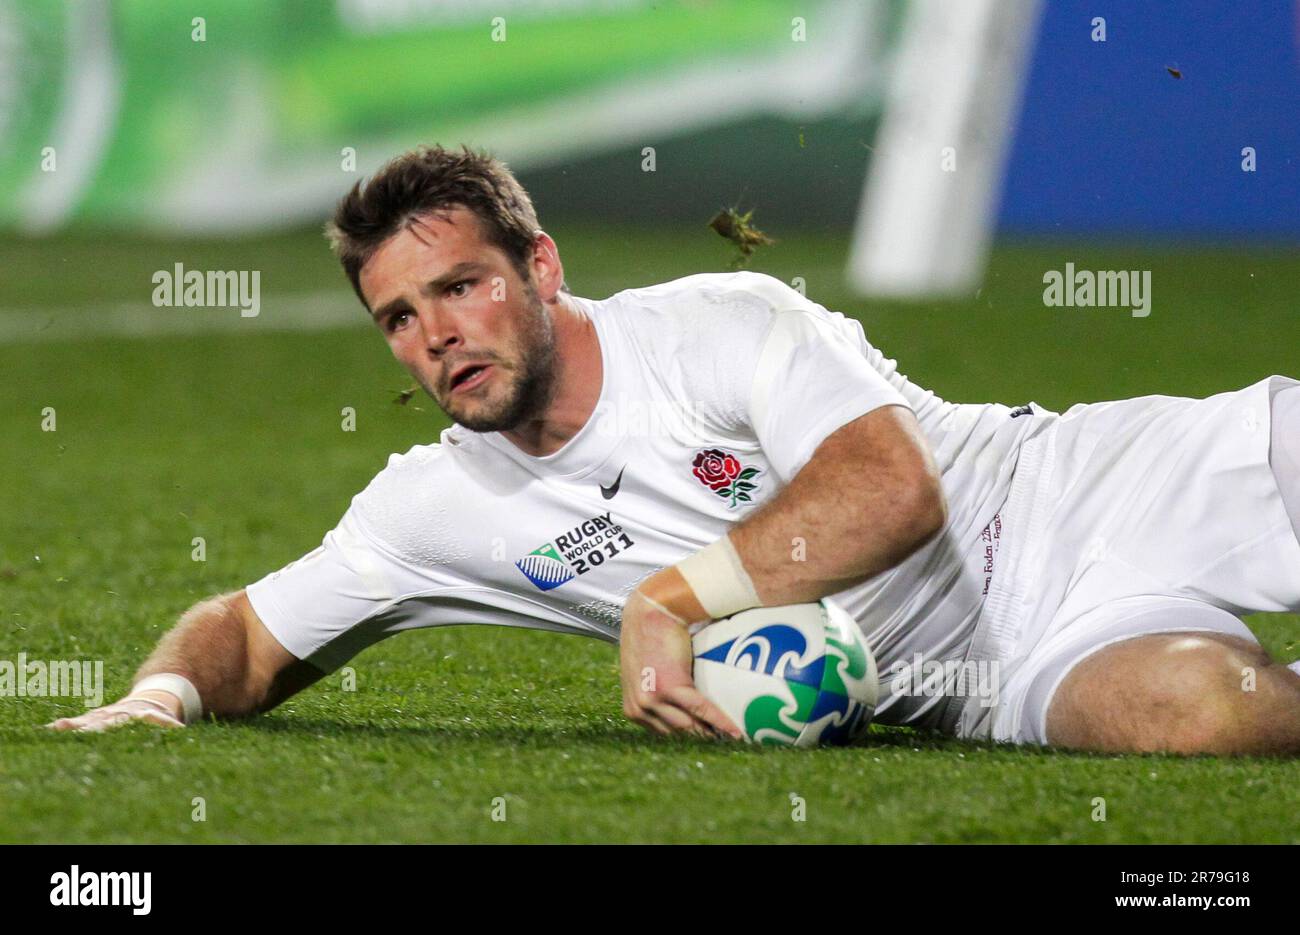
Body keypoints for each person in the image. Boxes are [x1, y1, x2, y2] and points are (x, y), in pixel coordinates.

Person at [50, 145, 1300, 755]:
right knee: (1196, 714)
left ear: (541, 266)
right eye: (400, 317)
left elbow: (892, 488)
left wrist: (668, 597)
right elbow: (250, 633)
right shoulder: (435, 506)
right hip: (1006, 670)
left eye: (464, 287)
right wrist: (162, 691)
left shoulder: (720, 324)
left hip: (1071, 489)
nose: (438, 336)